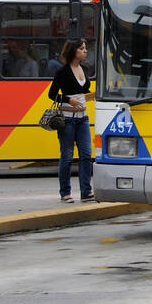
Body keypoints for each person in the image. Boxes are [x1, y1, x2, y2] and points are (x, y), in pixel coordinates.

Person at [48, 38, 94, 203]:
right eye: (82, 48)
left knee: (87, 155)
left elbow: (83, 90)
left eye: (85, 48)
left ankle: (86, 191)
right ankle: (65, 193)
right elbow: (52, 94)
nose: (85, 51)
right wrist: (68, 99)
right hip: (67, 119)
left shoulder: (85, 69)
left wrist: (90, 96)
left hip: (83, 118)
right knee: (67, 156)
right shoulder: (63, 71)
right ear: (73, 51)